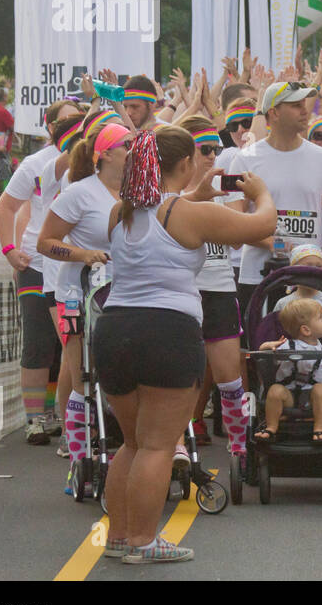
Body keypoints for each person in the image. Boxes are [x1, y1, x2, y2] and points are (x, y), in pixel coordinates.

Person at [95, 127, 276, 563]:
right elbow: (263, 225)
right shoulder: (188, 214)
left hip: (115, 328)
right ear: (184, 164)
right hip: (167, 331)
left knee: (132, 444)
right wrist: (261, 192)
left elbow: (163, 208)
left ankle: (119, 536)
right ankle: (143, 541)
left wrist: (196, 194)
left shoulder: (120, 211)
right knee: (157, 445)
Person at [38, 120, 131, 494]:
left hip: (126, 295)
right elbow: (46, 243)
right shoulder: (79, 193)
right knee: (81, 378)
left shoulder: (140, 191)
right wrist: (83, 254)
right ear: (105, 154)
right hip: (77, 294)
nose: (132, 151)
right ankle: (78, 461)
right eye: (126, 145)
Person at [0, 102, 83, 444]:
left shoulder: (92, 160)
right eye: (65, 121)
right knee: (38, 343)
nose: (73, 126)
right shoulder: (37, 164)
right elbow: (7, 206)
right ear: (50, 127)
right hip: (35, 263)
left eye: (78, 120)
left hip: (74, 266)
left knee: (69, 345)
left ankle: (66, 417)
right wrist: (9, 248)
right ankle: (36, 419)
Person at [234, 81, 322, 320]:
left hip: (309, 278)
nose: (305, 110)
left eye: (304, 104)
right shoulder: (245, 159)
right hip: (260, 274)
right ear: (274, 113)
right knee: (262, 342)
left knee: (313, 342)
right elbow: (235, 220)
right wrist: (271, 243)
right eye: (296, 105)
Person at [177, 116, 250, 457]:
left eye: (216, 150)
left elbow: (237, 238)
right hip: (182, 291)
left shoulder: (223, 189)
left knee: (230, 379)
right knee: (180, 378)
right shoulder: (169, 190)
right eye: (205, 149)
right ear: (185, 153)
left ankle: (240, 447)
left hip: (220, 287)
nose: (212, 157)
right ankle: (176, 445)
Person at [254, 298, 322, 444]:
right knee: (275, 390)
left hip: (313, 399)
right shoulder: (286, 346)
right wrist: (267, 346)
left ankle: (319, 429)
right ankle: (271, 428)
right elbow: (262, 357)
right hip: (288, 397)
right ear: (306, 330)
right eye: (321, 317)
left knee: (321, 389)